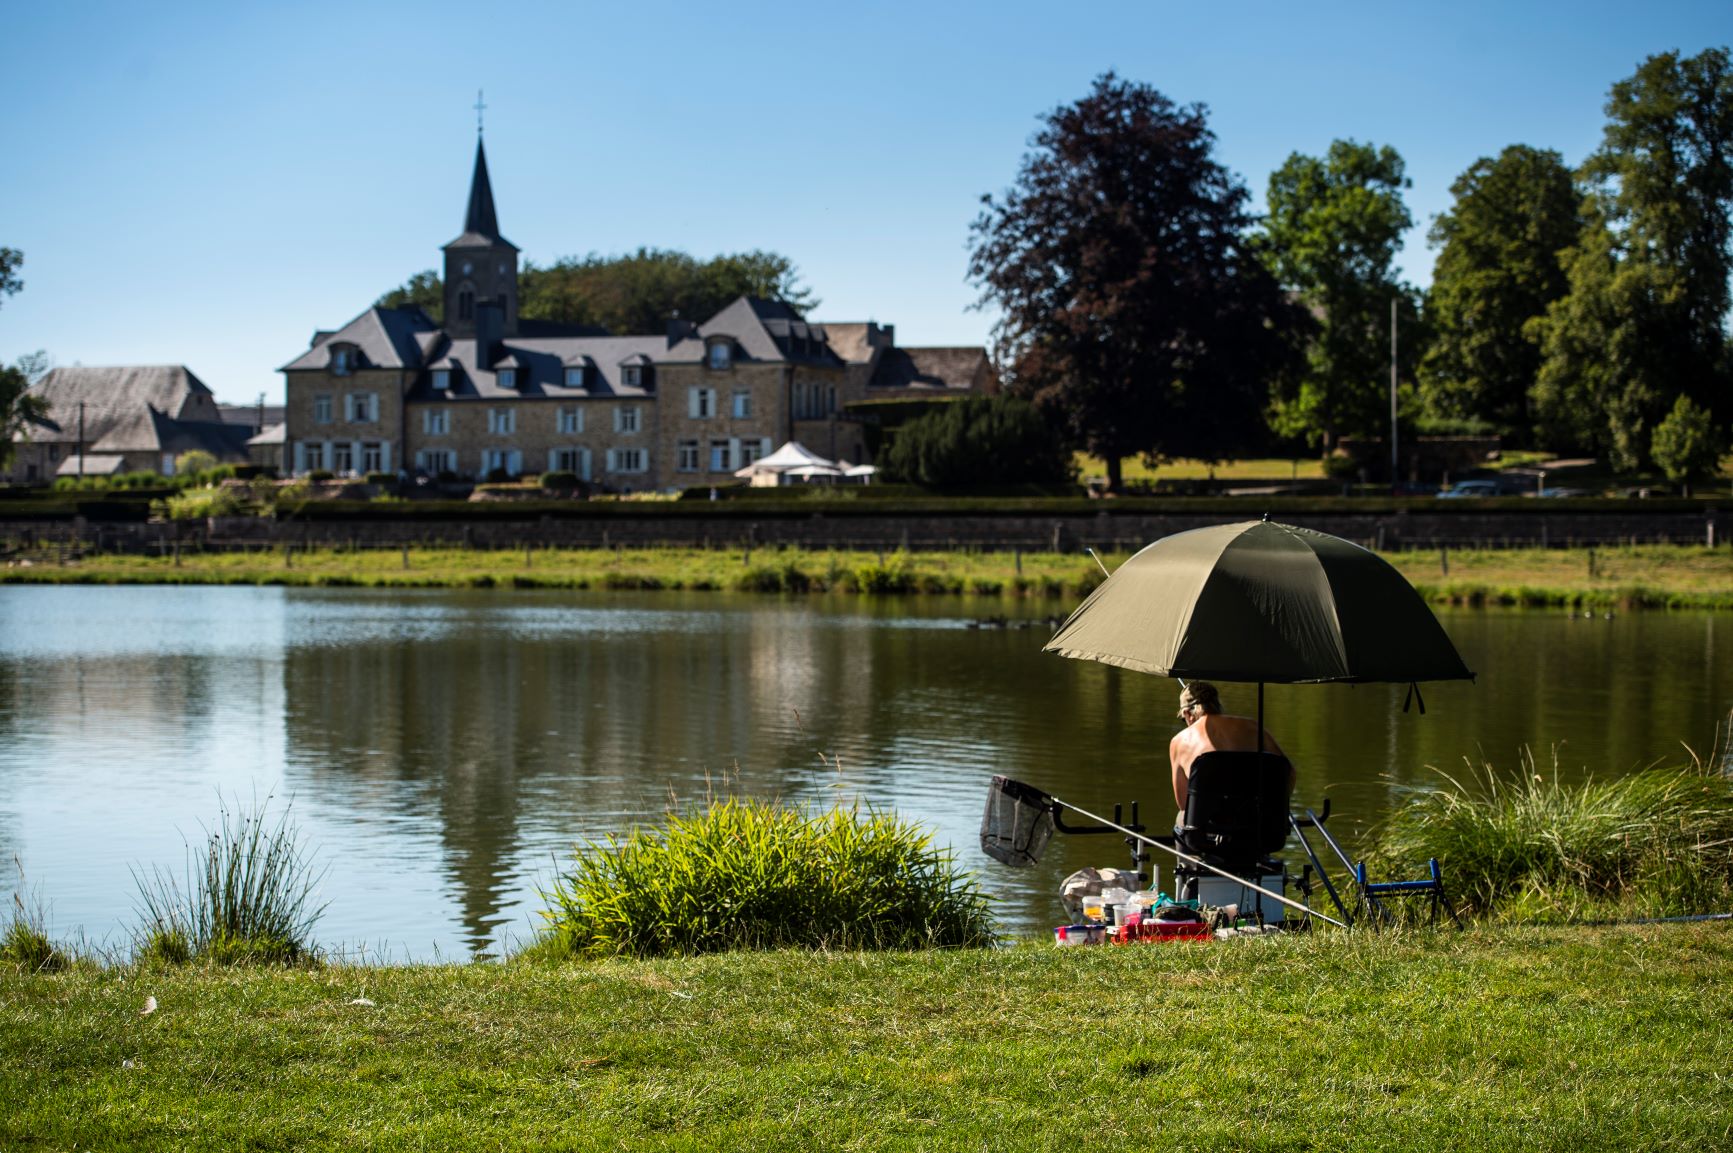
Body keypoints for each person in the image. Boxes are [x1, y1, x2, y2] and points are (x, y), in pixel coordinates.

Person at [1168, 681, 1293, 813]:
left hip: (1207, 826)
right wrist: (1276, 805)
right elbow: (1289, 772)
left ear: (1188, 713)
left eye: (1183, 719)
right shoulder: (1254, 727)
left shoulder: (1178, 741)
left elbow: (1183, 804)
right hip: (1255, 822)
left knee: (1181, 817)